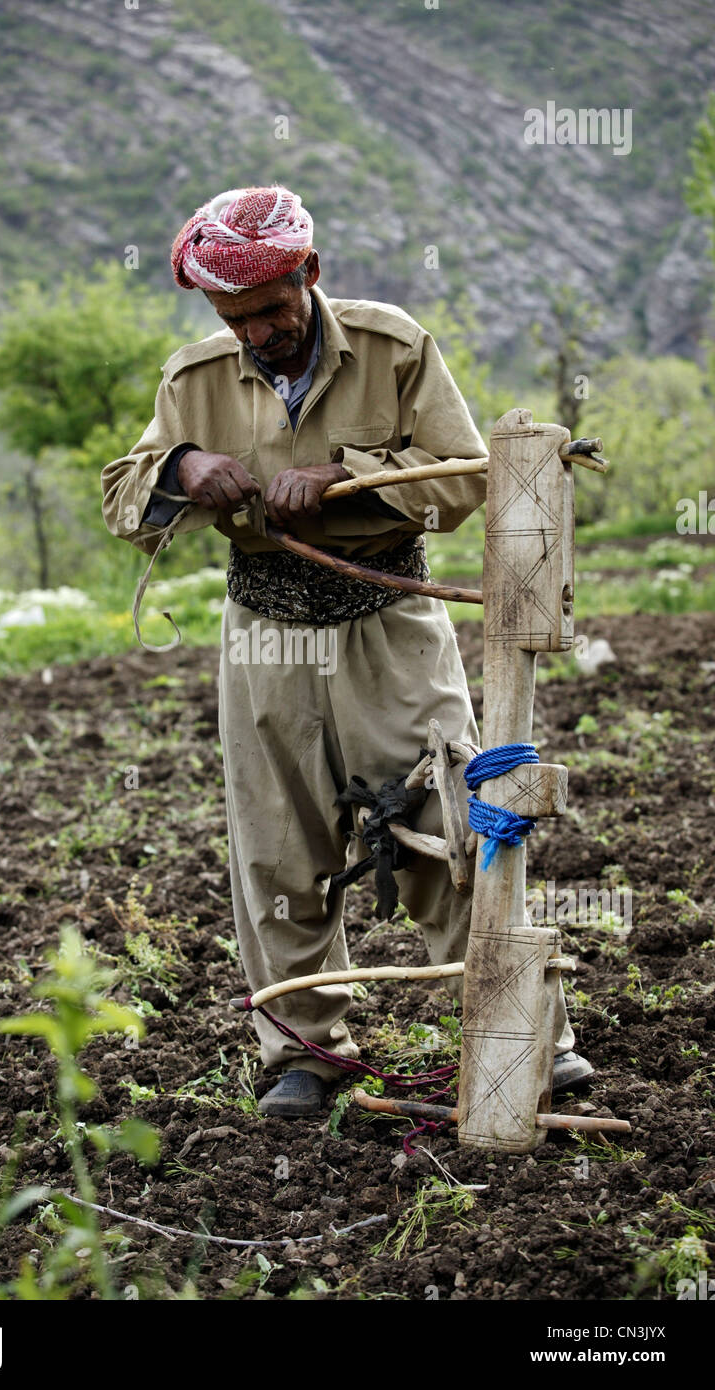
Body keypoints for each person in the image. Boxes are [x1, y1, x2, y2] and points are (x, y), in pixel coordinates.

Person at [101, 185, 592, 1116]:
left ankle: (529, 1037)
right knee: (278, 847)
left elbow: (462, 485)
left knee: (452, 825)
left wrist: (344, 480)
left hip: (389, 622)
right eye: (235, 317)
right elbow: (124, 494)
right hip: (264, 634)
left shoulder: (395, 347)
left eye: (272, 310)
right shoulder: (192, 377)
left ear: (309, 274)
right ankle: (306, 1051)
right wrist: (180, 470)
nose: (258, 332)